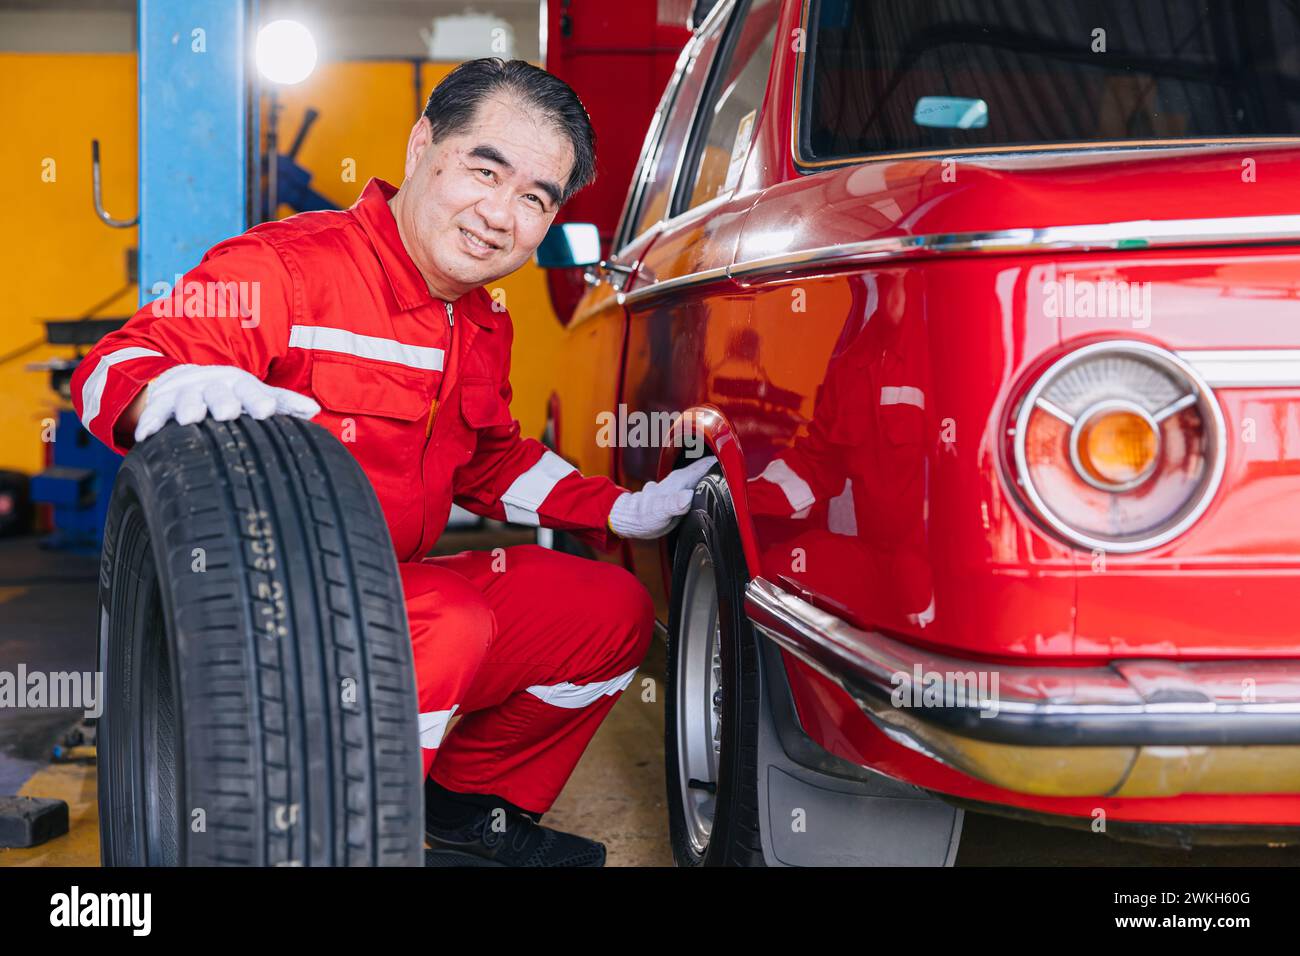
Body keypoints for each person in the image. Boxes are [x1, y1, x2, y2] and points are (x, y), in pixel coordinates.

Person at [71, 58, 716, 867]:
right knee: (444, 623)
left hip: (399, 587)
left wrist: (617, 511)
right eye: (486, 170)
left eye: (534, 200)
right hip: (282, 617)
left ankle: (464, 811)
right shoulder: (287, 270)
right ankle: (336, 839)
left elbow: (489, 460)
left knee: (607, 610)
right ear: (421, 147)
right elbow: (107, 367)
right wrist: (165, 385)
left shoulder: (480, 321)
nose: (499, 215)